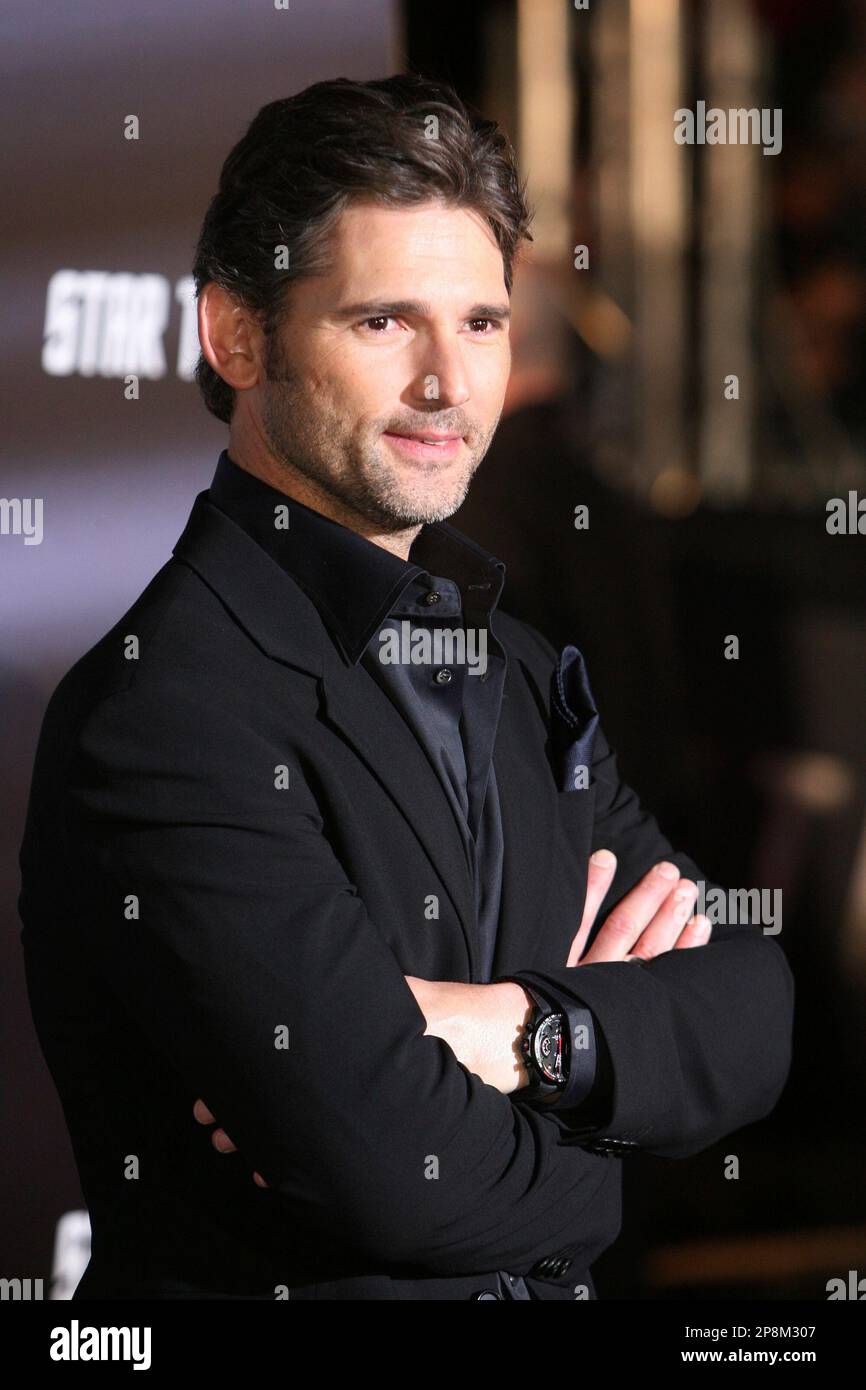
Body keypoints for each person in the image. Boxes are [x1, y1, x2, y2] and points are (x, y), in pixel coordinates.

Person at [18, 74, 794, 1301]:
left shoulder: (515, 666)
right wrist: (606, 1115)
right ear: (235, 334)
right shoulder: (165, 712)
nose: (449, 384)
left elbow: (751, 1008)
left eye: (479, 323)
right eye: (384, 322)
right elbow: (403, 1172)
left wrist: (515, 1031)